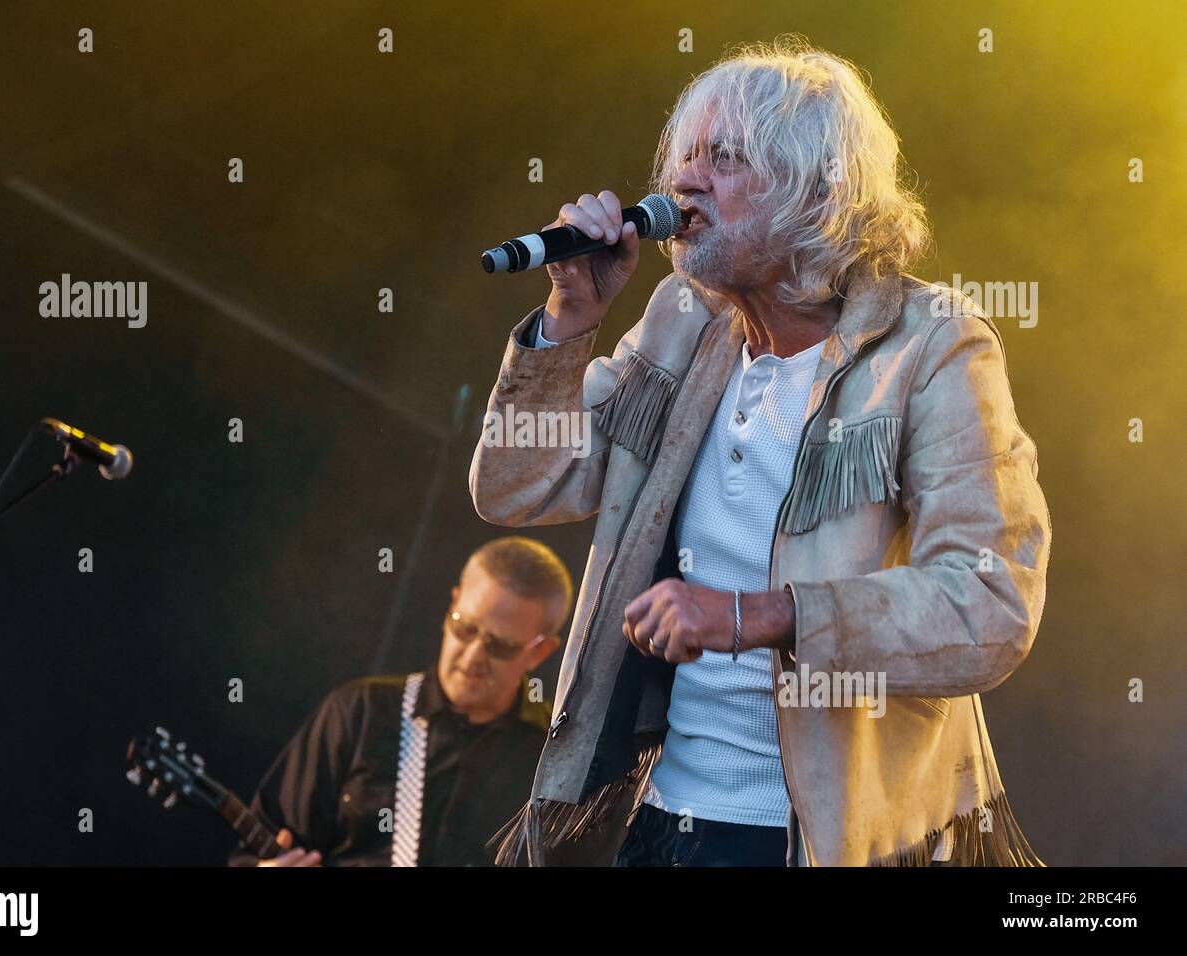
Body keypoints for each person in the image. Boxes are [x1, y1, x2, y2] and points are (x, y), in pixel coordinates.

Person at [470, 36, 1051, 867]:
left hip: (822, 840)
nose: (685, 181)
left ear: (819, 191)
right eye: (685, 155)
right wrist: (569, 319)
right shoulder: (683, 320)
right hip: (666, 815)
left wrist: (756, 616)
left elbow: (990, 607)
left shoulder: (930, 350)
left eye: (725, 157)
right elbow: (516, 488)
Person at [229, 536, 588, 866]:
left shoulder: (555, 760)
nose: (474, 655)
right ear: (452, 605)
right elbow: (254, 848)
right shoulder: (360, 711)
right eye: (465, 627)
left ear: (540, 652)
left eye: (501, 645)